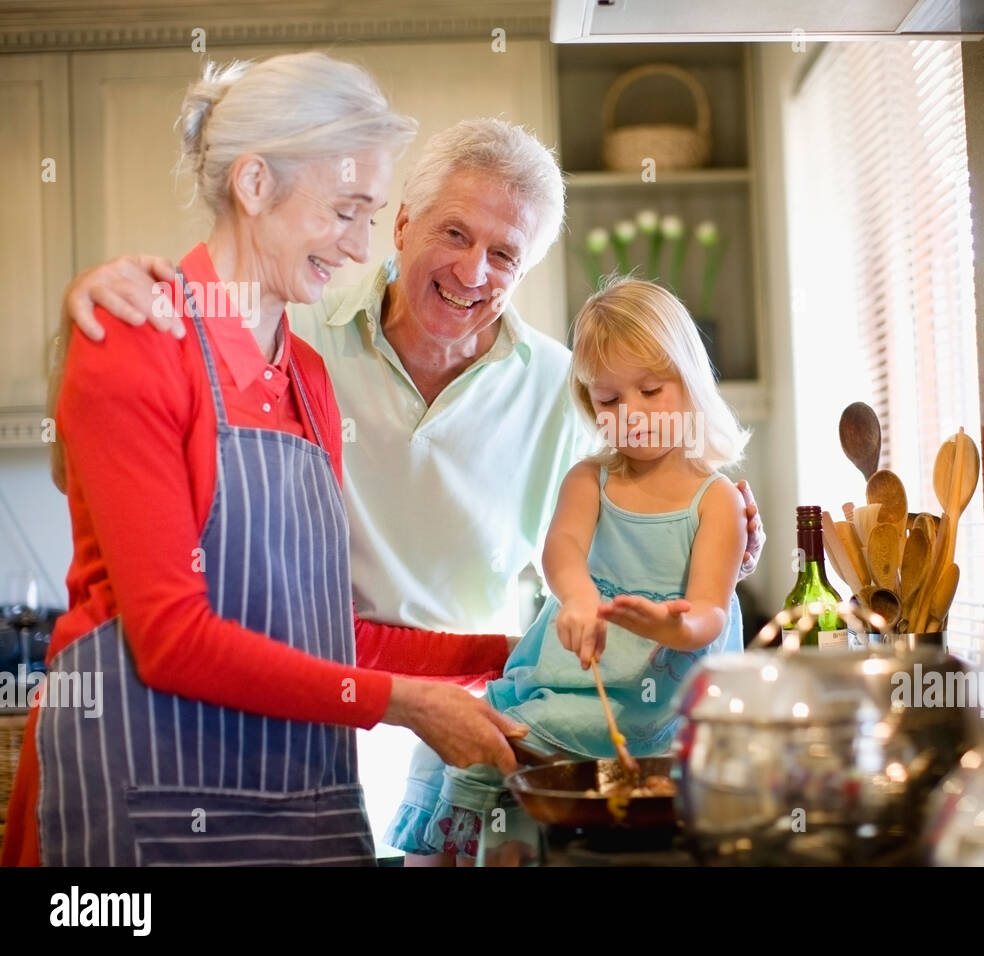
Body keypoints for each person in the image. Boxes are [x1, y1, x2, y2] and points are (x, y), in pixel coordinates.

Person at [57, 117, 767, 866]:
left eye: (503, 255)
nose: (472, 272)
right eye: (454, 235)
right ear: (401, 224)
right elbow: (106, 473)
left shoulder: (572, 392)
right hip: (280, 716)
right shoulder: (296, 342)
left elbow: (643, 517)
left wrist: (708, 559)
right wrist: (102, 302)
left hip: (479, 729)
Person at [2, 53, 528, 868]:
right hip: (139, 793)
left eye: (370, 216)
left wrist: (511, 655)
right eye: (346, 212)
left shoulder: (307, 376)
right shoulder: (137, 340)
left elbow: (320, 634)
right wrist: (404, 706)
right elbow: (172, 639)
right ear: (254, 185)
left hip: (289, 797)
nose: (361, 250)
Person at [394, 277, 749, 865]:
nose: (630, 413)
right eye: (608, 400)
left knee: (508, 746)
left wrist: (668, 626)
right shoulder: (590, 479)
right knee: (458, 738)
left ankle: (504, 849)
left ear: (690, 384)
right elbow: (561, 547)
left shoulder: (717, 500)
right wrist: (579, 598)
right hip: (569, 674)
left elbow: (710, 611)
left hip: (653, 700)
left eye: (650, 390)